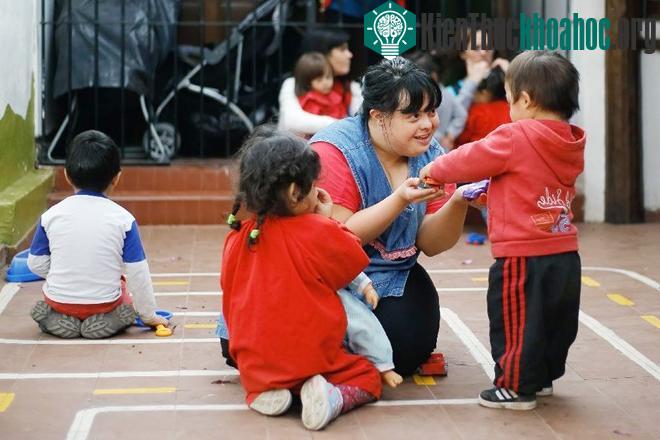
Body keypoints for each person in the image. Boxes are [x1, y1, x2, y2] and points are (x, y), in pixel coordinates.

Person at [420, 51, 585, 410]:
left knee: (514, 322)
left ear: (526, 100)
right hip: (564, 252)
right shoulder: (571, 140)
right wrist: (493, 191)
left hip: (522, 256)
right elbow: (530, 180)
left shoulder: (515, 135)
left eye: (510, 100)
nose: (509, 108)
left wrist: (433, 169)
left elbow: (471, 157)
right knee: (554, 320)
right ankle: (540, 377)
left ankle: (514, 387)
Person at [310, 57, 474, 377]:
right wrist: (399, 199)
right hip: (331, 275)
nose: (427, 124)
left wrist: (459, 199)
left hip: (393, 276)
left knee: (408, 346)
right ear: (378, 116)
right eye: (414, 115)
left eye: (431, 112)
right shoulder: (335, 150)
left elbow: (432, 243)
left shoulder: (434, 155)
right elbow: (338, 237)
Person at [220, 126, 382, 430]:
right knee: (367, 375)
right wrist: (326, 218)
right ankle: (331, 396)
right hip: (311, 359)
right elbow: (351, 259)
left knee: (265, 367)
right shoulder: (316, 231)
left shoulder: (238, 237)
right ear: (296, 193)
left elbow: (229, 298)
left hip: (253, 363)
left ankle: (264, 391)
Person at [27, 130, 169, 339]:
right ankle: (114, 320)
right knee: (126, 300)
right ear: (117, 178)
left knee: (52, 302)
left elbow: (35, 264)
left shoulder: (50, 216)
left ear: (66, 175)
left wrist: (65, 270)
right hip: (104, 304)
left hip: (60, 301)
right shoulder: (124, 220)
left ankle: (52, 318)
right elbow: (137, 273)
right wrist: (149, 316)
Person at [278, 29, 361, 136]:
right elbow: (293, 121)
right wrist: (343, 125)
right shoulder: (292, 83)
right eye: (342, 49)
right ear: (323, 53)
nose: (350, 55)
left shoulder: (351, 87)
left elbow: (361, 123)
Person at [406, 51, 467, 150]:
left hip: (424, 145)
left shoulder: (415, 98)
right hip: (442, 147)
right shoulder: (446, 93)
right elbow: (461, 114)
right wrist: (450, 135)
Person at [455, 66, 511, 146]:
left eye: (474, 92)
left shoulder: (478, 111)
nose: (473, 98)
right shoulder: (511, 109)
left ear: (484, 92)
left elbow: (460, 138)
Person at [294, 52, 347, 120]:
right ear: (307, 82)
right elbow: (313, 123)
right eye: (319, 80)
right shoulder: (310, 101)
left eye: (328, 77)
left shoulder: (335, 92)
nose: (325, 83)